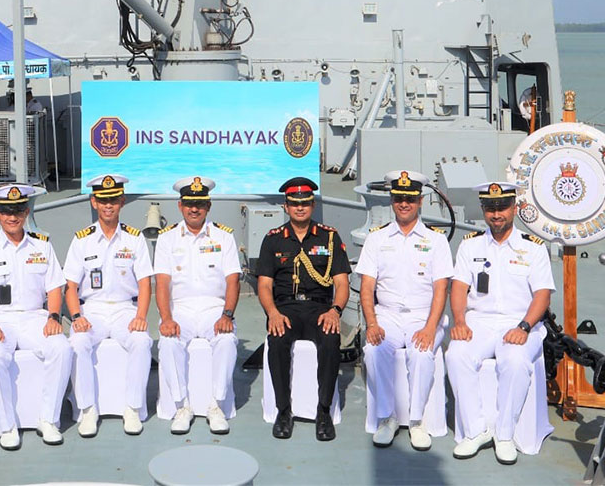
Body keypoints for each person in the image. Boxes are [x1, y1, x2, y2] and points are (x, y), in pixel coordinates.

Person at [446, 181, 555, 464]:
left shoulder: (533, 248)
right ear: (483, 210)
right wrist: (459, 320)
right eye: (491, 208)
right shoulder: (470, 246)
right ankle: (475, 431)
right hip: (479, 320)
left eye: (503, 207)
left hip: (519, 322)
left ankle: (504, 435)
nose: (497, 214)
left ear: (514, 209)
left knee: (516, 362)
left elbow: (542, 295)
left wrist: (524, 327)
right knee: (456, 355)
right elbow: (458, 287)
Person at [0, 185, 72, 450]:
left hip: (34, 317)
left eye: (17, 211)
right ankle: (6, 426)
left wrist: (53, 317)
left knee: (61, 347)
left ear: (26, 212)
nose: (11, 217)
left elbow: (54, 287)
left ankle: (48, 420)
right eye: (5, 211)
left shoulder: (42, 246)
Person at [355, 170, 452, 450]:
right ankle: (388, 417)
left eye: (410, 199)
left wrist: (431, 328)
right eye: (398, 198)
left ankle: (417, 421)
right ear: (392, 201)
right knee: (374, 350)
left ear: (420, 201)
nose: (404, 204)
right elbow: (366, 287)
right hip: (387, 314)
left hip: (424, 315)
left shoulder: (436, 240)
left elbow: (440, 290)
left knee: (422, 354)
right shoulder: (377, 239)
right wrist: (372, 324)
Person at [255, 176, 350, 441]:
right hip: (285, 308)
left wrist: (336, 311)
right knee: (277, 341)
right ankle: (283, 411)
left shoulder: (330, 238)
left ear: (312, 205)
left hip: (320, 309)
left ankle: (323, 411)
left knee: (331, 342)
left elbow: (342, 283)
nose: (300, 208)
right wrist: (272, 313)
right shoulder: (273, 240)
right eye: (294, 204)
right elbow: (264, 285)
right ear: (286, 206)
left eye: (306, 203)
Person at [63, 174, 153, 436]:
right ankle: (88, 409)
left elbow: (145, 282)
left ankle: (133, 407)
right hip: (93, 310)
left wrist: (141, 316)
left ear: (122, 202)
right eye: (103, 201)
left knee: (141, 341)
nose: (108, 206)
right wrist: (77, 316)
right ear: (94, 202)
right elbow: (70, 286)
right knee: (78, 342)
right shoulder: (82, 240)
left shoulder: (134, 239)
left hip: (125, 308)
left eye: (113, 200)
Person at [154, 176, 241, 435]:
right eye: (190, 204)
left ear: (208, 206)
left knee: (226, 339)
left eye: (200, 204)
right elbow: (162, 283)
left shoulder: (224, 237)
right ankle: (182, 406)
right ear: (180, 206)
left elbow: (233, 280)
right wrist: (166, 318)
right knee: (168, 341)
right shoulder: (167, 239)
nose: (195, 209)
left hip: (214, 306)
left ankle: (217, 405)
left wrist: (227, 314)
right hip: (180, 306)